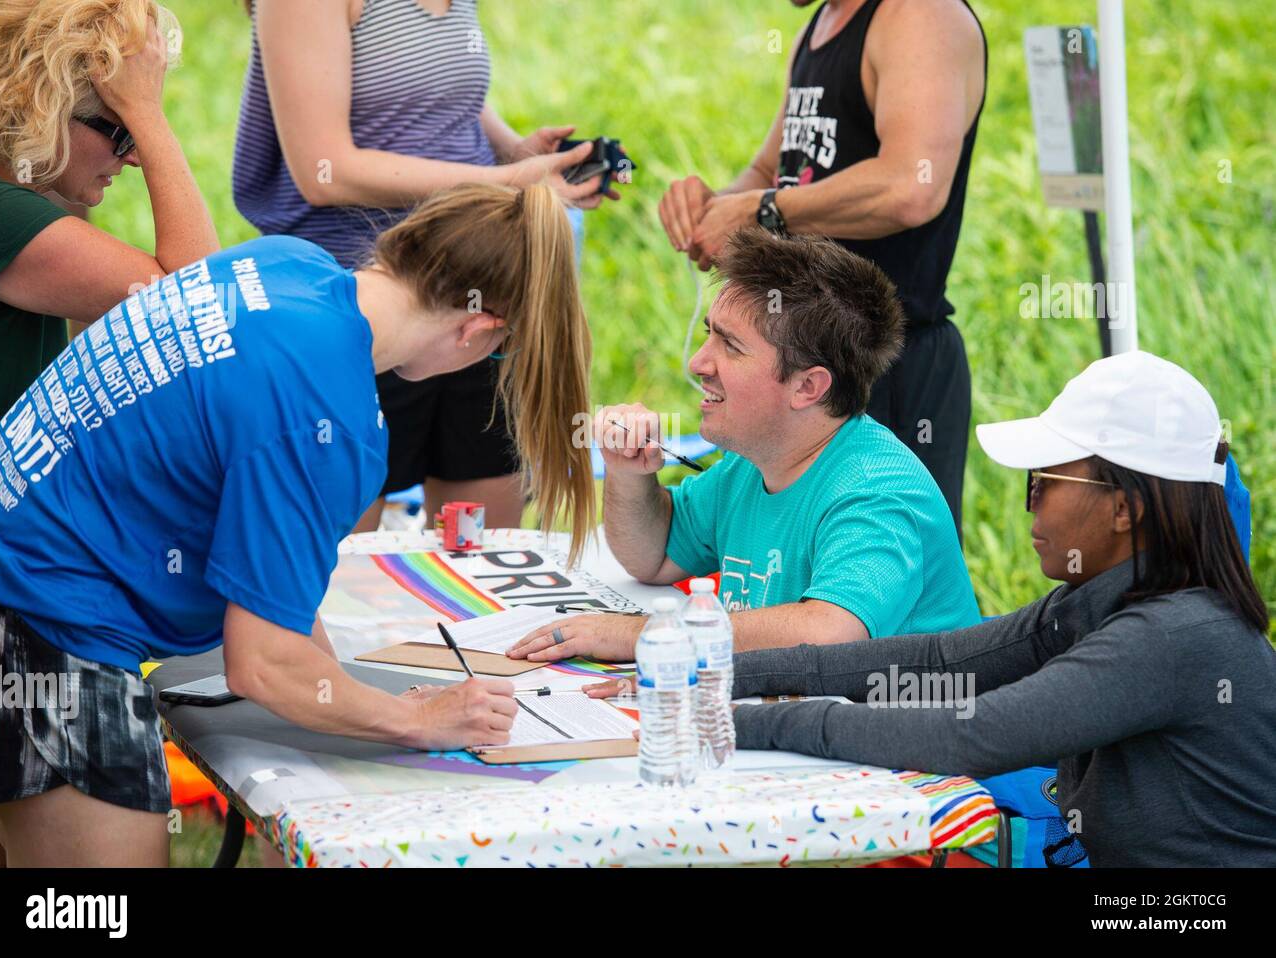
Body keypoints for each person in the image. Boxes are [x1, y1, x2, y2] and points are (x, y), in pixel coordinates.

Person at [0, 182, 595, 866]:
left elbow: (272, 594)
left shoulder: (282, 262)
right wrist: (412, 718)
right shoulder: (328, 412)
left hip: (4, 559)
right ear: (477, 329)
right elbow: (261, 664)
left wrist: (343, 691)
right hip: (40, 622)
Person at [728, 352, 1276, 867]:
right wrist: (721, 673)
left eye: (1044, 481)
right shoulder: (1102, 605)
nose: (1030, 504)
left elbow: (970, 734)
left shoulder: (1171, 635)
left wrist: (744, 722)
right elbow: (939, 663)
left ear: (1125, 509)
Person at [508, 229, 980, 668]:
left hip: (913, 744)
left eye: (730, 346)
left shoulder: (877, 491)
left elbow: (830, 629)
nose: (697, 363)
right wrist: (629, 473)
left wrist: (644, 635)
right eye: (708, 333)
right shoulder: (753, 462)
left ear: (808, 387)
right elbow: (652, 556)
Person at [234, 0, 615, 532]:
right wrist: (509, 181)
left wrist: (511, 150)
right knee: (336, 561)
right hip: (366, 304)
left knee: (482, 551)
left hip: (479, 285)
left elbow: (430, 91)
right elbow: (325, 172)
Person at [658, 0, 986, 532]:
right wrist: (713, 211)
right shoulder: (820, 25)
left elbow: (912, 187)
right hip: (794, 362)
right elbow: (776, 170)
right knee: (780, 569)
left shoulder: (920, 15)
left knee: (882, 597)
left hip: (883, 361)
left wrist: (762, 210)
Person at [0, 0, 219, 442]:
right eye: (121, 131)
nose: (135, 156)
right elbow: (195, 305)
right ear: (47, 107)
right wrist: (148, 117)